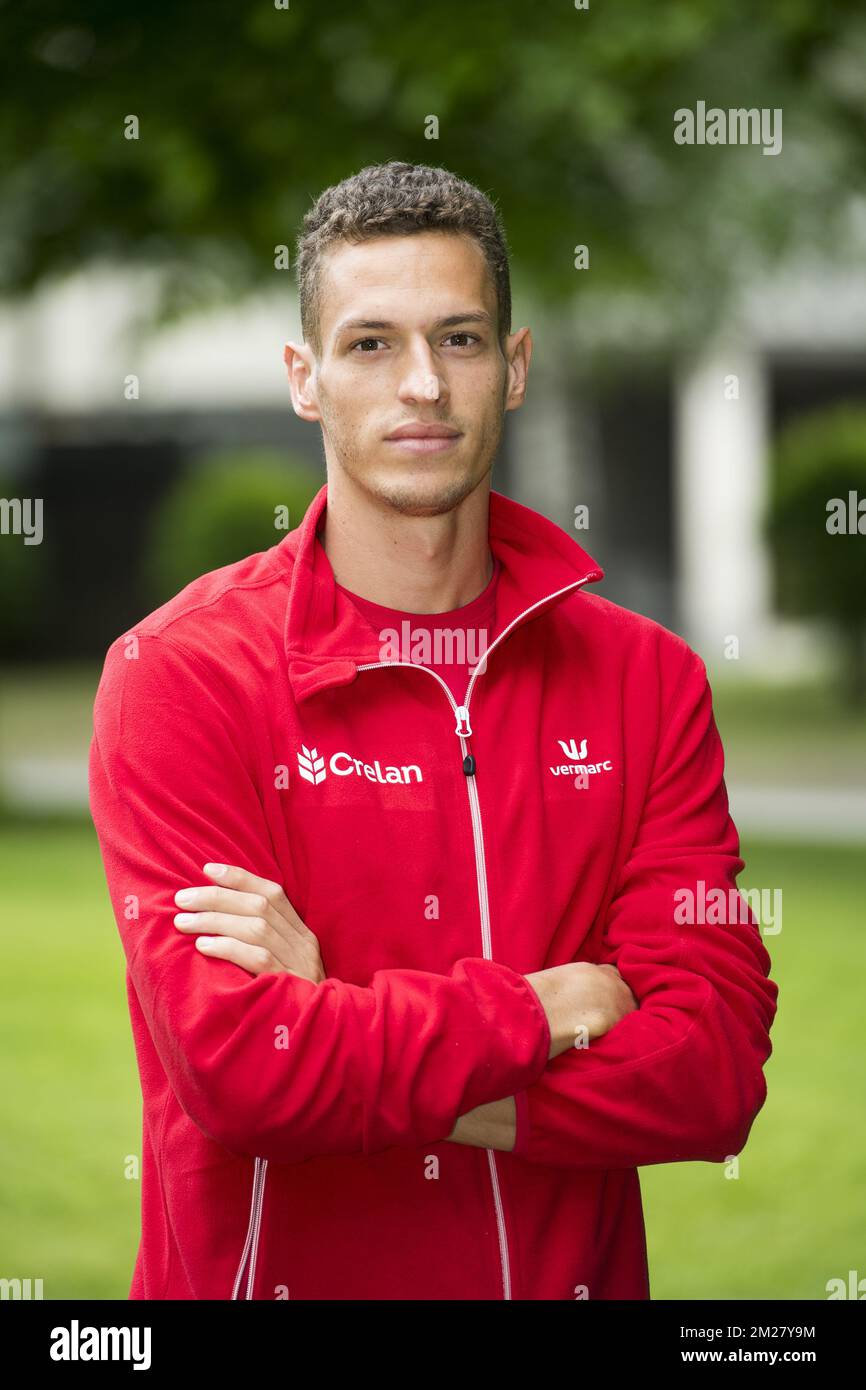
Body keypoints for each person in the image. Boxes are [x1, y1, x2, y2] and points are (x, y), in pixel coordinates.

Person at [89, 160, 778, 1301]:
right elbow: (244, 1076)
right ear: (304, 379)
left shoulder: (645, 680)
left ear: (512, 370)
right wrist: (542, 1007)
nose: (421, 384)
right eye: (370, 344)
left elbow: (709, 1080)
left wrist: (339, 1024)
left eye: (458, 339)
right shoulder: (180, 675)